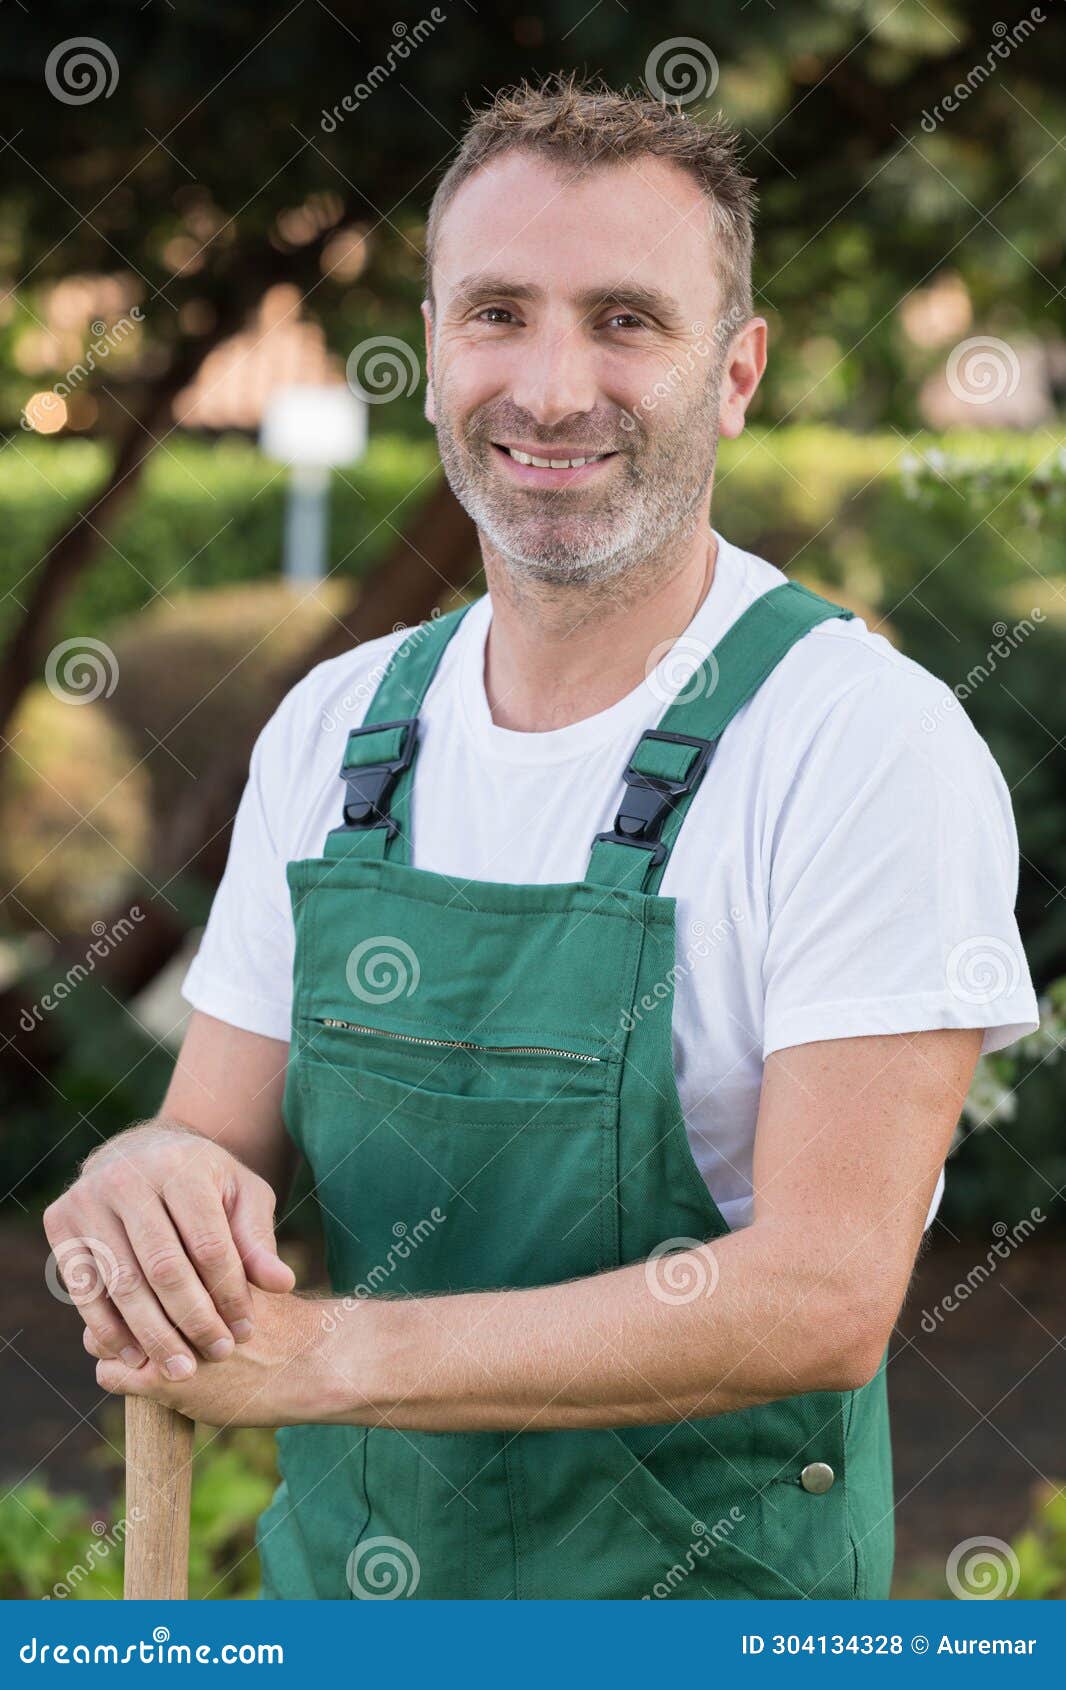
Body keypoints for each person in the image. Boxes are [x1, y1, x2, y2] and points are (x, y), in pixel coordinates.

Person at [46, 74, 1040, 1601]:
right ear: (434, 347)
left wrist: (326, 1354)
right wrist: (141, 1177)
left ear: (736, 371)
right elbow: (209, 1132)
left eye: (626, 320)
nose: (552, 385)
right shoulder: (338, 728)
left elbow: (817, 1294)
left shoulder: (859, 746)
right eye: (496, 311)